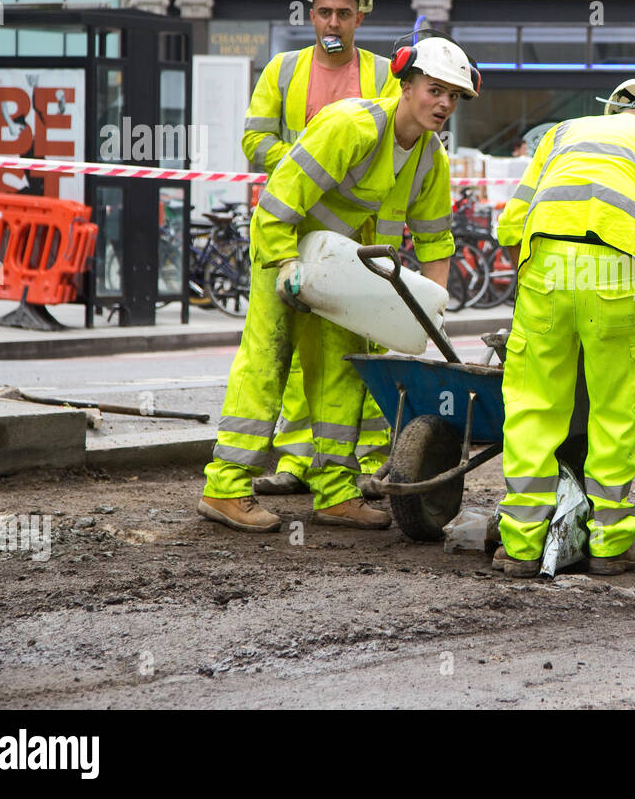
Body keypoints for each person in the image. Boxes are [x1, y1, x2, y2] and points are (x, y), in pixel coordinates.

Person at [198, 36, 478, 532]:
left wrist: (433, 315)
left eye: (454, 96)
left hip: (345, 274)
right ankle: (226, 488)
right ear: (406, 84)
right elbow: (279, 202)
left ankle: (334, 494)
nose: (444, 104)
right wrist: (285, 264)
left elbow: (436, 242)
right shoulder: (352, 126)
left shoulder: (429, 157)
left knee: (342, 376)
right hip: (286, 254)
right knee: (268, 363)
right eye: (436, 90)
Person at [493, 78, 635, 577]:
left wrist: (536, 290)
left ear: (613, 109)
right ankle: (610, 544)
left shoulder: (562, 132)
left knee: (532, 406)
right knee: (615, 413)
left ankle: (521, 547)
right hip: (616, 278)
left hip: (545, 269)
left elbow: (511, 227)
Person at [242, 0, 398, 493]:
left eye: (344, 14)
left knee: (356, 352)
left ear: (361, 18)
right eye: (324, 12)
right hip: (293, 227)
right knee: (293, 354)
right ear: (311, 14)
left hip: (356, 235)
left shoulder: (383, 75)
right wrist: (310, 161)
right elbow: (254, 141)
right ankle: (294, 462)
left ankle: (370, 460)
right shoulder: (283, 70)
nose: (332, 23)